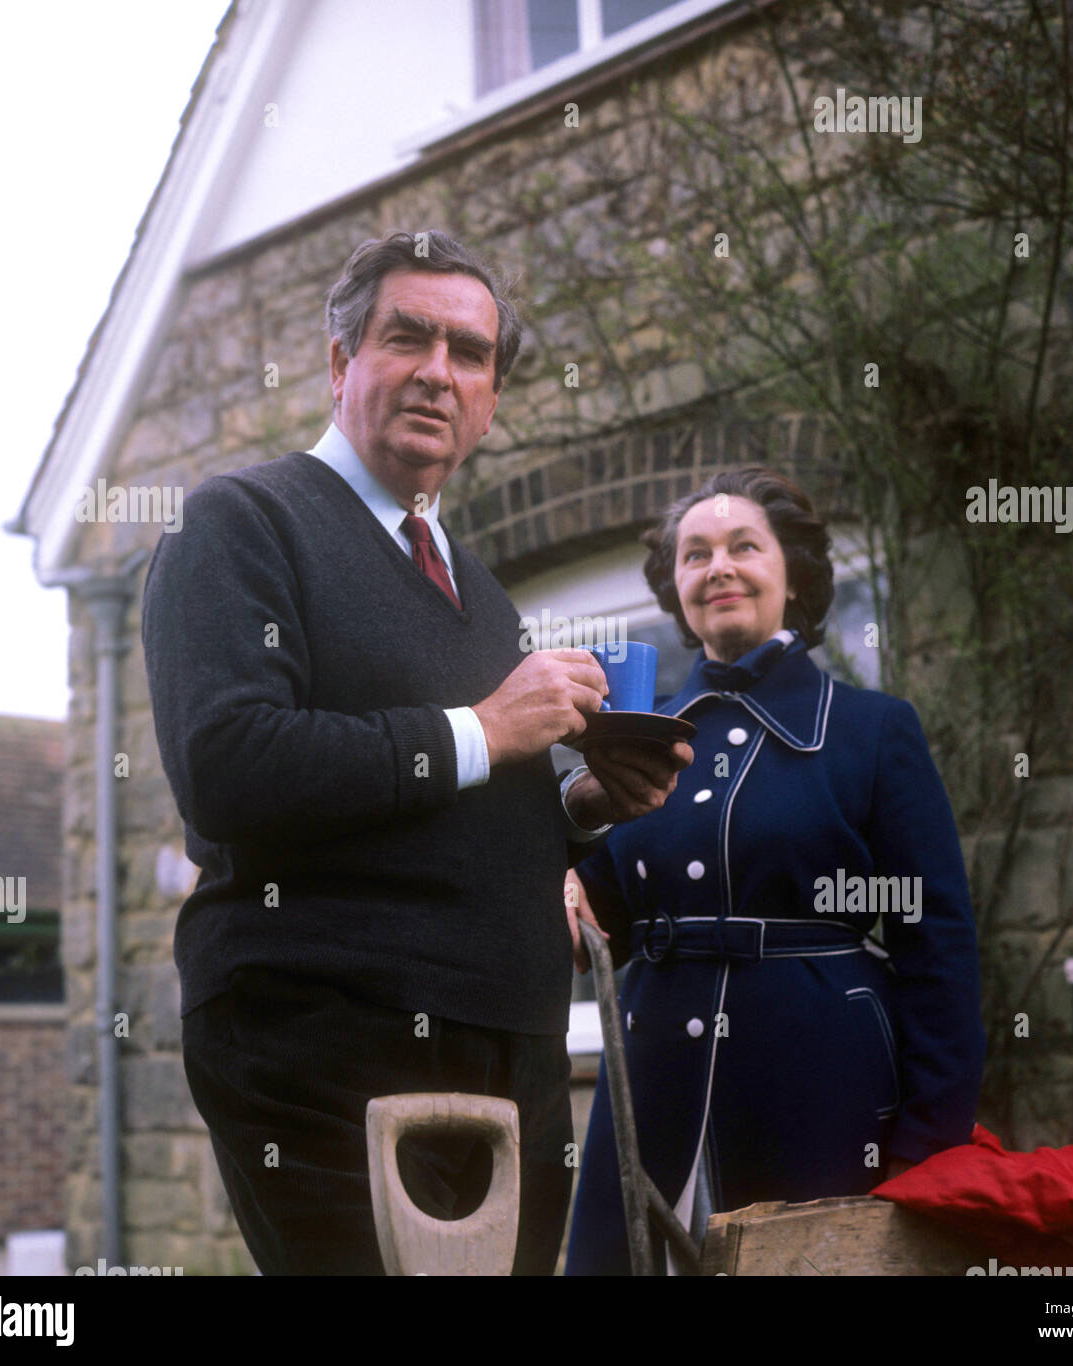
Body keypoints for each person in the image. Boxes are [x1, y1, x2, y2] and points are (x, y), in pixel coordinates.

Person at [141, 230, 691, 1275]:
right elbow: (230, 767)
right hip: (328, 1035)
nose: (441, 371)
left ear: (489, 397)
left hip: (513, 1047)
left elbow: (458, 790)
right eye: (409, 337)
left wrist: (576, 809)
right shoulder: (239, 522)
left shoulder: (475, 587)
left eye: (471, 353)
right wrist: (487, 726)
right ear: (342, 361)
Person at [563, 466, 985, 1275]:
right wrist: (569, 866)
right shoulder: (639, 742)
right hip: (647, 1093)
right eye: (694, 555)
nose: (716, 567)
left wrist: (931, 1155)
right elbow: (598, 908)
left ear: (793, 577)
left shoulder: (872, 732)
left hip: (821, 1093)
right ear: (676, 590)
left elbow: (940, 954)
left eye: (743, 546)